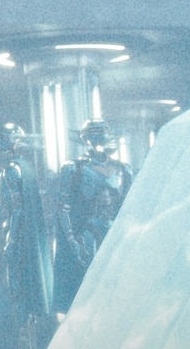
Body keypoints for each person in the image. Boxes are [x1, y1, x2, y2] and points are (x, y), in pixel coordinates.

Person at [50, 119, 132, 315]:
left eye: (101, 130)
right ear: (84, 137)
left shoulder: (123, 169)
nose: (98, 135)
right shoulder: (73, 168)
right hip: (88, 234)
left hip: (114, 233)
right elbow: (64, 207)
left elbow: (129, 207)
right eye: (93, 131)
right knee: (88, 287)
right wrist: (72, 241)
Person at [0, 123, 53, 349]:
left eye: (1, 137)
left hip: (18, 238)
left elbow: (17, 208)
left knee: (18, 291)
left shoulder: (11, 170)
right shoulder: (24, 168)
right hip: (24, 237)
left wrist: (12, 239)